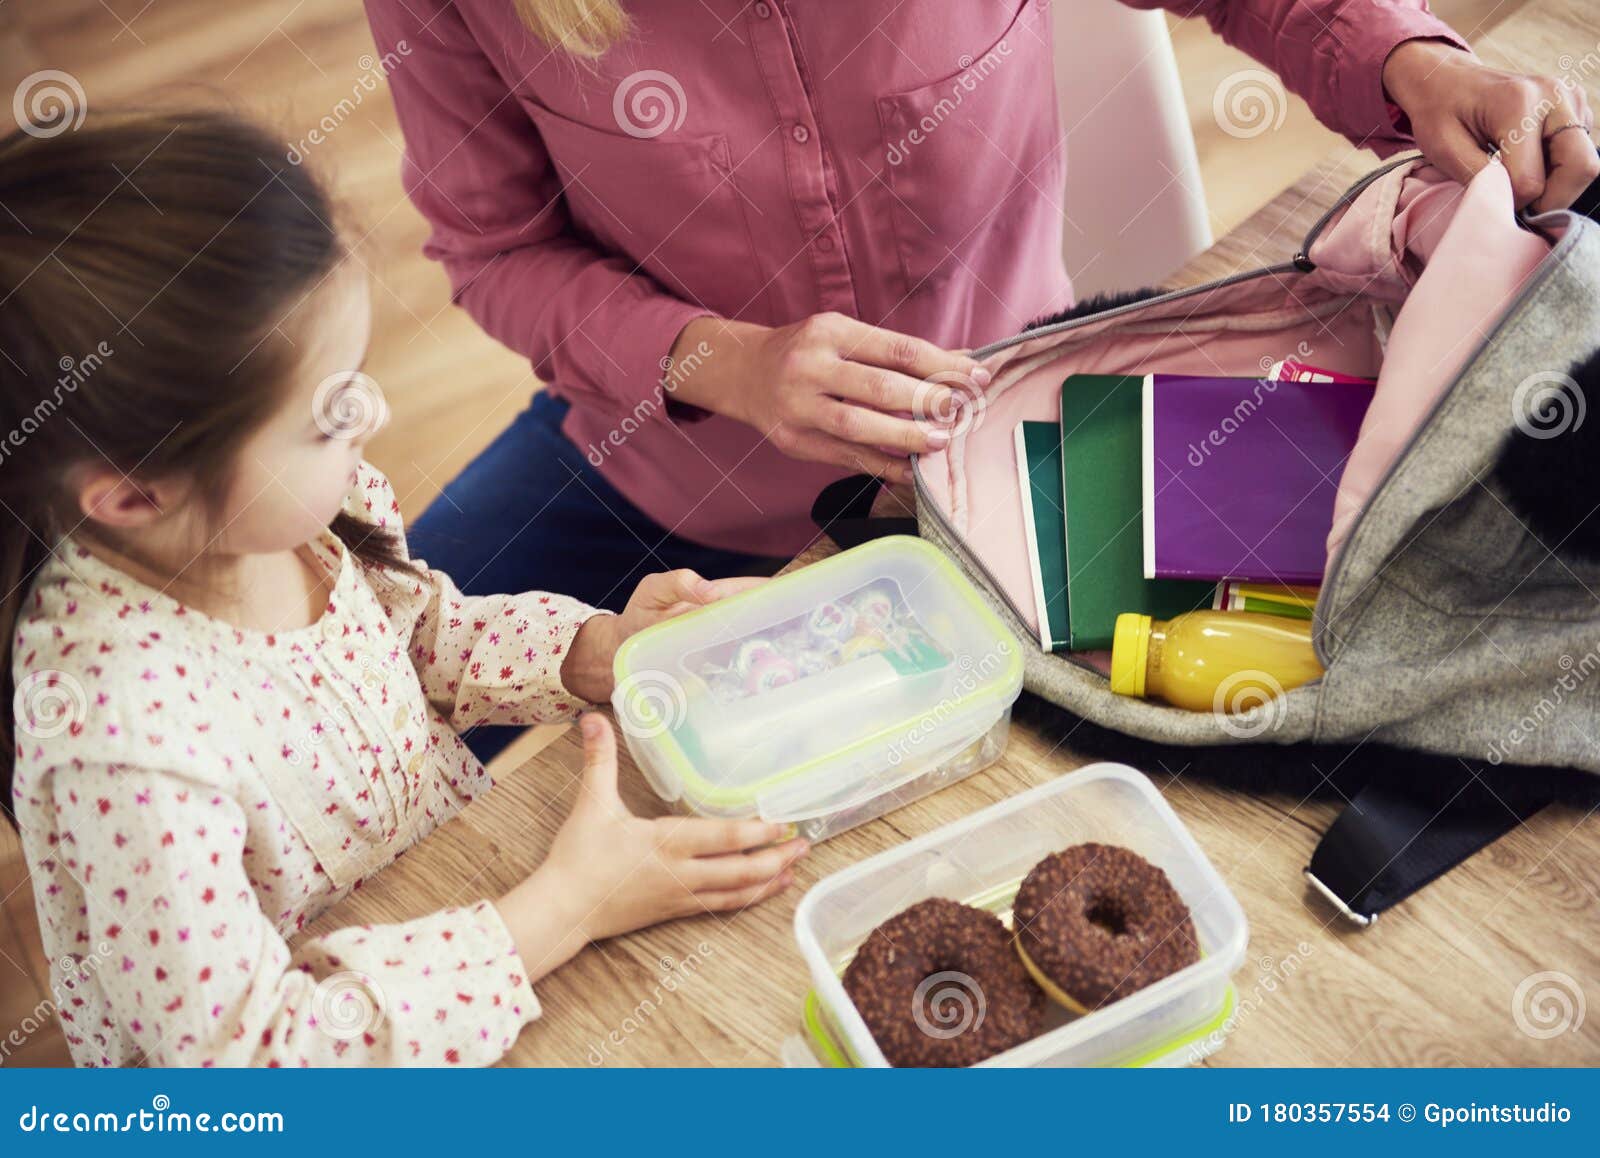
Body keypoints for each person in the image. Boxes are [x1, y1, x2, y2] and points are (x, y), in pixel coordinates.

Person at [365, 0, 1598, 763]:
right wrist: (719, 361)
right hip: (659, 472)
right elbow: (499, 254)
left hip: (1013, 471)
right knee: (369, 674)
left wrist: (1408, 61)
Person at [0, 111, 805, 1067]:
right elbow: (247, 1062)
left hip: (448, 910)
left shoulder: (295, 521)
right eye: (327, 413)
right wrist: (564, 907)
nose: (368, 415)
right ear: (134, 495)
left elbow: (420, 642)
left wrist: (598, 650)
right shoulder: (121, 744)